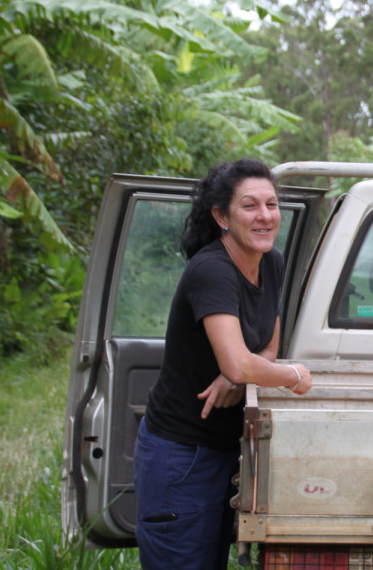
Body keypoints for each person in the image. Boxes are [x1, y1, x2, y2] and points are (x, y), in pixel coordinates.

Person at [134, 158, 313, 570]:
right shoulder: (212, 270)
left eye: (271, 204)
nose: (264, 215)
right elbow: (239, 363)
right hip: (181, 452)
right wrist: (293, 376)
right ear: (221, 217)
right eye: (250, 206)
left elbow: (267, 346)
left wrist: (239, 376)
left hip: (226, 451)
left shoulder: (271, 261)